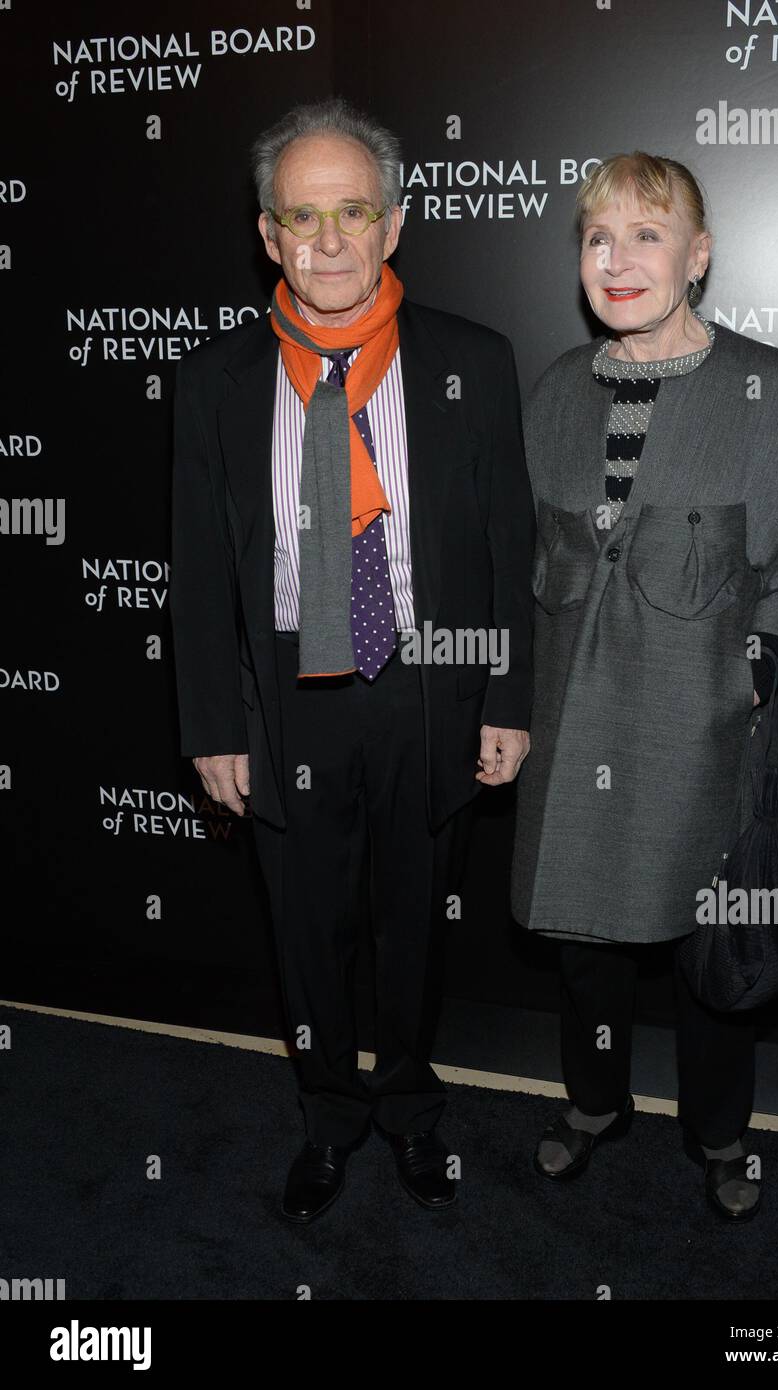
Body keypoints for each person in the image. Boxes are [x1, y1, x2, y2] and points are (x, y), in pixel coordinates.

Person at [170, 98, 534, 1225]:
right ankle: (328, 1117)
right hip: (285, 698)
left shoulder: (473, 361)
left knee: (416, 926)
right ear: (269, 236)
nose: (327, 241)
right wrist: (211, 725)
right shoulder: (218, 378)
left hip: (430, 686)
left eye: (352, 212)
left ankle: (414, 1115)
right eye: (301, 216)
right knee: (305, 932)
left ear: (394, 223)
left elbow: (508, 544)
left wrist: (507, 697)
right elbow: (194, 567)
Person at [511, 152, 778, 1220]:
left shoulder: (766, 386)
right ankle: (593, 1104)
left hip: (704, 730)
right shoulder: (557, 389)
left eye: (647, 235)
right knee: (584, 951)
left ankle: (720, 1133)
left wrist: (751, 673)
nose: (618, 259)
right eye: (598, 237)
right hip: (574, 724)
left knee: (712, 954)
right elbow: (535, 570)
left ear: (696, 256)